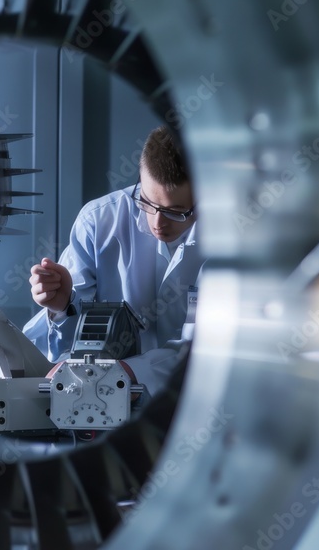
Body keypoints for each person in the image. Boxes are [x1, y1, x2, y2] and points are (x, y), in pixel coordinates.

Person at [22, 126, 206, 395]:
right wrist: (61, 308)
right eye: (147, 201)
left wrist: (129, 371)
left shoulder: (232, 236)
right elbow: (66, 347)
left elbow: (210, 346)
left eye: (175, 212)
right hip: (102, 397)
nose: (157, 223)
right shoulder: (99, 221)